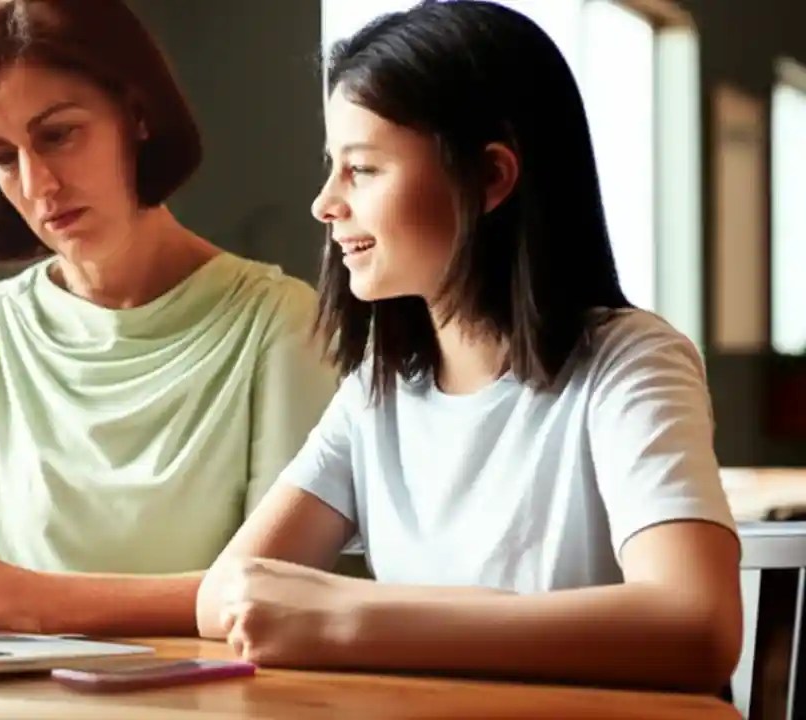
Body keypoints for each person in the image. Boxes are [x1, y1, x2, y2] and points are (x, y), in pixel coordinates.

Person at [196, 0, 742, 694]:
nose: (324, 203)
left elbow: (697, 626)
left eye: (362, 169)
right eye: (333, 166)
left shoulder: (630, 363)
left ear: (490, 178)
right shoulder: (377, 391)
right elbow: (223, 598)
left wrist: (354, 618)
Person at [0, 0, 338, 638]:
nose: (38, 185)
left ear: (137, 115)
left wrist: (34, 599)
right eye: (3, 157)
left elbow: (270, 590)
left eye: (58, 134)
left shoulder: (279, 325)